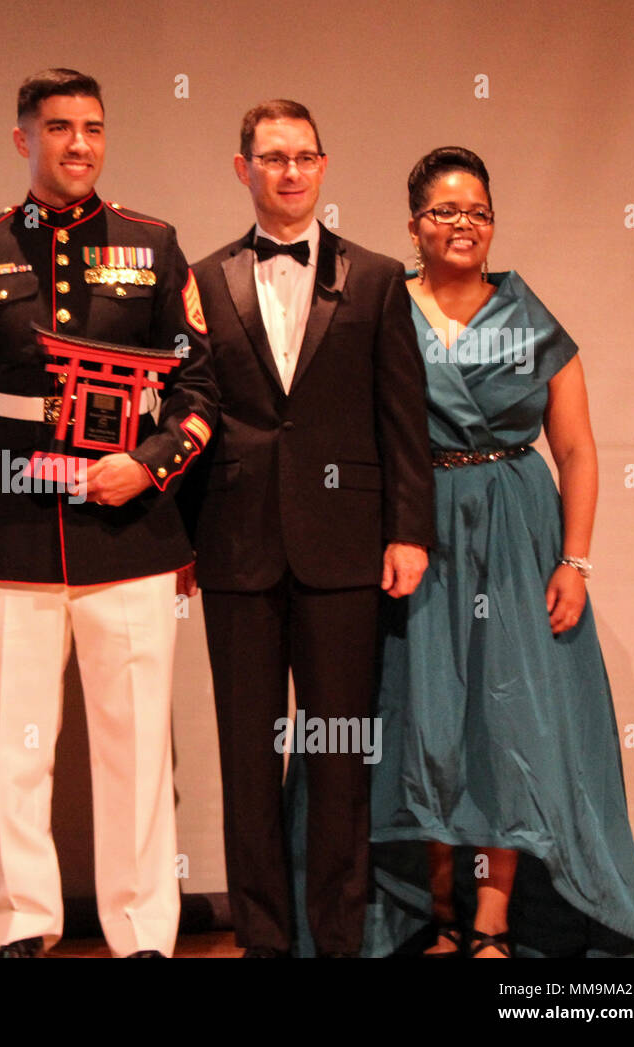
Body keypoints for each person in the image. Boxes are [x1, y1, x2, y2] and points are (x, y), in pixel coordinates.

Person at [0, 68, 218, 958]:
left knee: (136, 754)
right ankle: (23, 924)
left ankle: (141, 932)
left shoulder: (154, 241)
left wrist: (149, 465)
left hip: (131, 536)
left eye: (93, 127)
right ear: (23, 140)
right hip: (11, 531)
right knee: (18, 753)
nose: (80, 144)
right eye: (59, 128)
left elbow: (199, 385)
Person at [366, 147, 634, 958]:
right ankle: (435, 906)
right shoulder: (385, 309)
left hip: (519, 536)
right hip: (419, 532)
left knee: (511, 728)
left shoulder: (529, 319)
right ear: (413, 223)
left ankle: (492, 922)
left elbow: (580, 451)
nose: (464, 225)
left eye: (479, 211)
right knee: (426, 723)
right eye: (446, 211)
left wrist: (576, 560)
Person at [183, 99, 435, 957]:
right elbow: (191, 412)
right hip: (234, 547)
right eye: (272, 156)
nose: (289, 171)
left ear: (323, 167)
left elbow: (403, 416)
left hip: (346, 551)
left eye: (304, 156)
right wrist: (184, 542)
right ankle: (262, 939)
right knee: (248, 764)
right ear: (241, 167)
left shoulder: (374, 278)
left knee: (339, 763)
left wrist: (410, 531)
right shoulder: (203, 276)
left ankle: (338, 938)